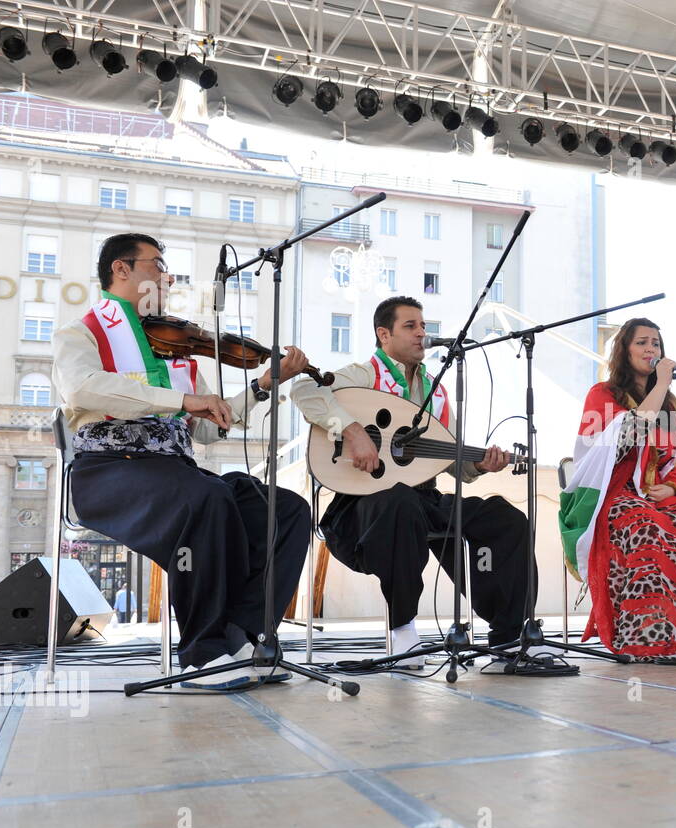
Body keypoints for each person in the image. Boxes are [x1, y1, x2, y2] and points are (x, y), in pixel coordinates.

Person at [53, 233, 312, 689]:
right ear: (121, 270)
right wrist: (183, 400)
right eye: (156, 265)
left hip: (174, 471)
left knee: (285, 508)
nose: (165, 276)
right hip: (109, 471)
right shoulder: (79, 334)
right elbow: (82, 389)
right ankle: (202, 650)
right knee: (205, 497)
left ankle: (243, 634)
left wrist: (264, 385)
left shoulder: (175, 349)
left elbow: (209, 429)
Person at [289, 296, 551, 671]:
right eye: (410, 326)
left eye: (423, 326)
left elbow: (452, 463)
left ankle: (508, 638)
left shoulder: (438, 392)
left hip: (424, 498)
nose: (421, 334)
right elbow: (305, 392)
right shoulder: (365, 375)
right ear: (384, 334)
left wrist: (480, 465)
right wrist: (352, 431)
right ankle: (403, 630)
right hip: (362, 505)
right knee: (399, 501)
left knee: (504, 518)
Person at [559, 318, 676, 661]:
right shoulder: (603, 394)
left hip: (657, 495)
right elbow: (626, 435)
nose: (651, 349)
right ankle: (644, 635)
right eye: (642, 342)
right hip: (613, 494)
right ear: (625, 349)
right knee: (642, 526)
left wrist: (673, 488)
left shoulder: (670, 406)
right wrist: (661, 383)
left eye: (656, 343)